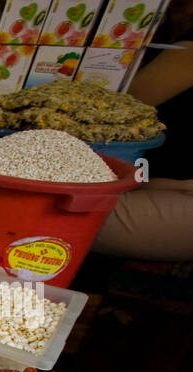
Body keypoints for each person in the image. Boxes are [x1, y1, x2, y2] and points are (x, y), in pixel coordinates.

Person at [92, 0, 193, 260]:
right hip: (150, 182)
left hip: (181, 195)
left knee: (48, 213)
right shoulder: (159, 27)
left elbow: (119, 106)